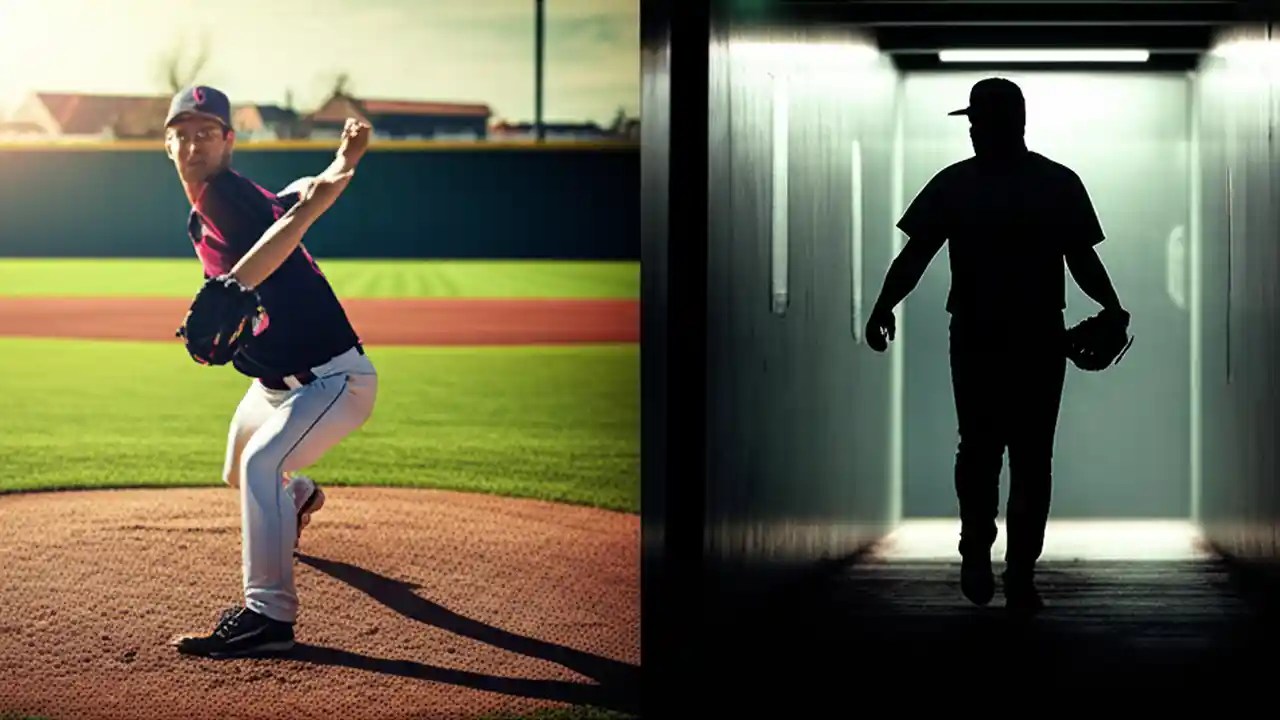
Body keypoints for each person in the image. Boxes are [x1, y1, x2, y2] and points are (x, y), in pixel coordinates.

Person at [865, 77, 1129, 613]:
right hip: (1037, 334)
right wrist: (1112, 306)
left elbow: (915, 255)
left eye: (975, 121)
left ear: (996, 123)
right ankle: (1018, 572)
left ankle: (978, 552)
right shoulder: (1057, 183)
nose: (971, 130)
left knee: (980, 449)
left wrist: (883, 306)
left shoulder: (956, 183)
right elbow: (1082, 260)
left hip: (978, 333)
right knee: (1031, 458)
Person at [162, 85, 378, 656]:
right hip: (272, 387)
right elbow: (300, 194)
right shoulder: (216, 204)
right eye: (181, 133)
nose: (192, 143)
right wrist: (342, 161)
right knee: (240, 471)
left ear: (229, 140)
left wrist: (237, 283)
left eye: (206, 132)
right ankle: (299, 497)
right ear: (167, 144)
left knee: (262, 463)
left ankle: (269, 617)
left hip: (333, 380)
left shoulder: (229, 196)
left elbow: (288, 226)